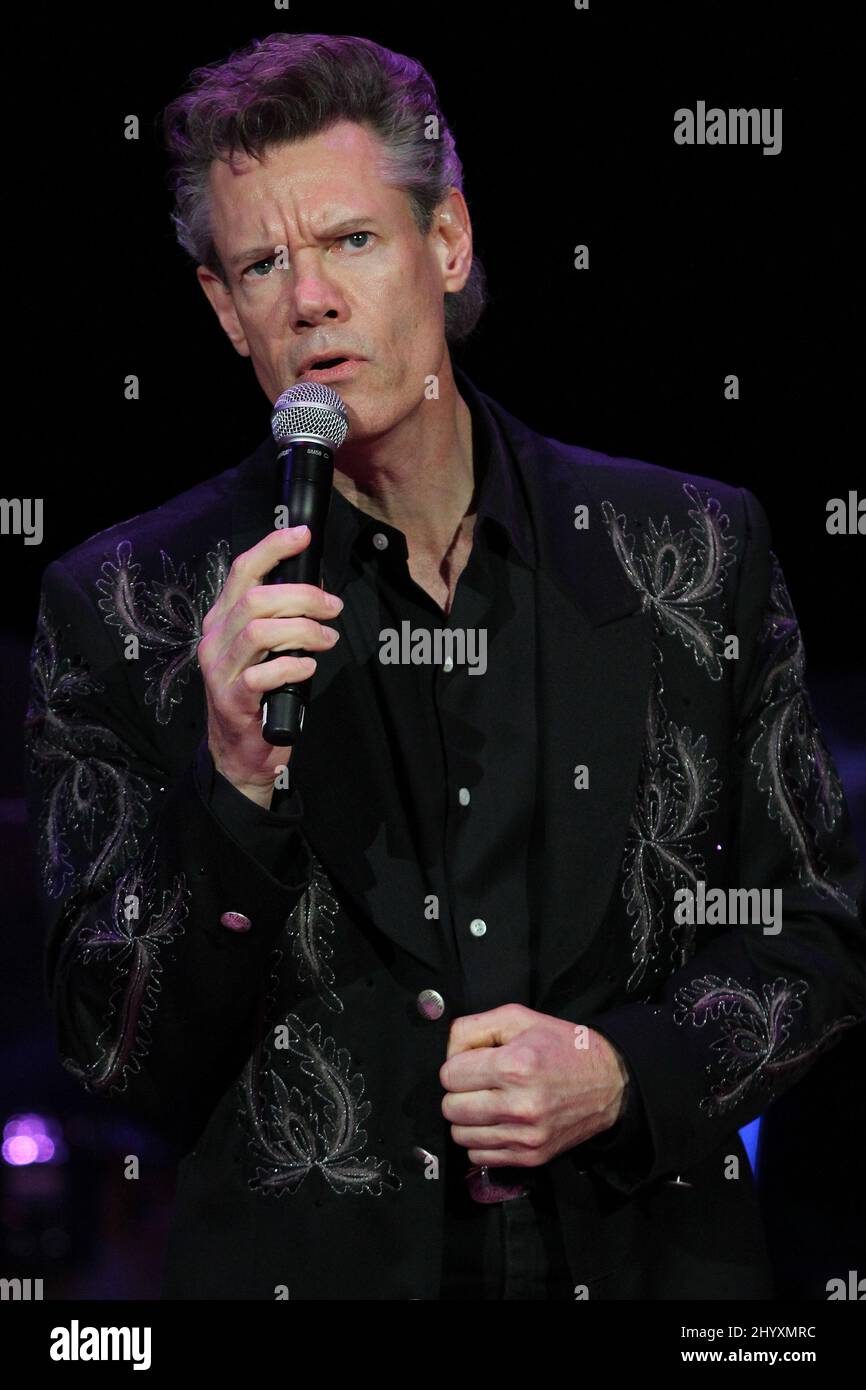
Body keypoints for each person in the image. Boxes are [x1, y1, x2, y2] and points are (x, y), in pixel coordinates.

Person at [23, 32, 866, 1300]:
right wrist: (234, 780)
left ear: (449, 244)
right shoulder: (123, 608)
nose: (309, 299)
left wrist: (626, 1071)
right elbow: (108, 1051)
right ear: (223, 312)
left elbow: (811, 935)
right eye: (263, 263)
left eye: (352, 241)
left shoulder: (685, 549)